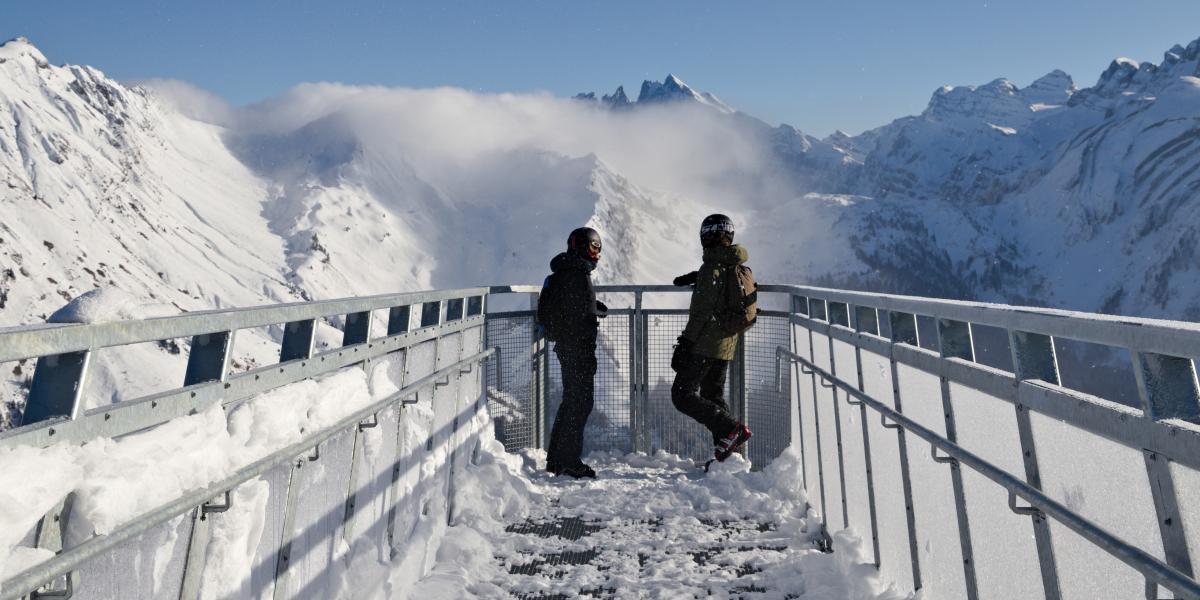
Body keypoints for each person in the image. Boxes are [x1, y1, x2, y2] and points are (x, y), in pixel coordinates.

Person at [671, 214, 754, 463]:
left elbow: (702, 313)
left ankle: (732, 429)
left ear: (706, 237)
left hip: (706, 343)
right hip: (727, 342)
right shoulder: (732, 263)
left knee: (682, 395)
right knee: (712, 397)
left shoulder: (713, 268)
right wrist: (699, 276)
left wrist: (685, 343)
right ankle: (731, 460)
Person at [537, 227, 609, 478]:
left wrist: (592, 308)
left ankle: (557, 459)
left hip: (570, 346)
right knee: (580, 403)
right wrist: (587, 317)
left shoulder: (568, 271)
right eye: (594, 247)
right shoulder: (575, 274)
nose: (597, 253)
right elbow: (571, 312)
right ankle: (567, 461)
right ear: (582, 246)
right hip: (576, 347)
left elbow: (568, 306)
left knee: (572, 402)